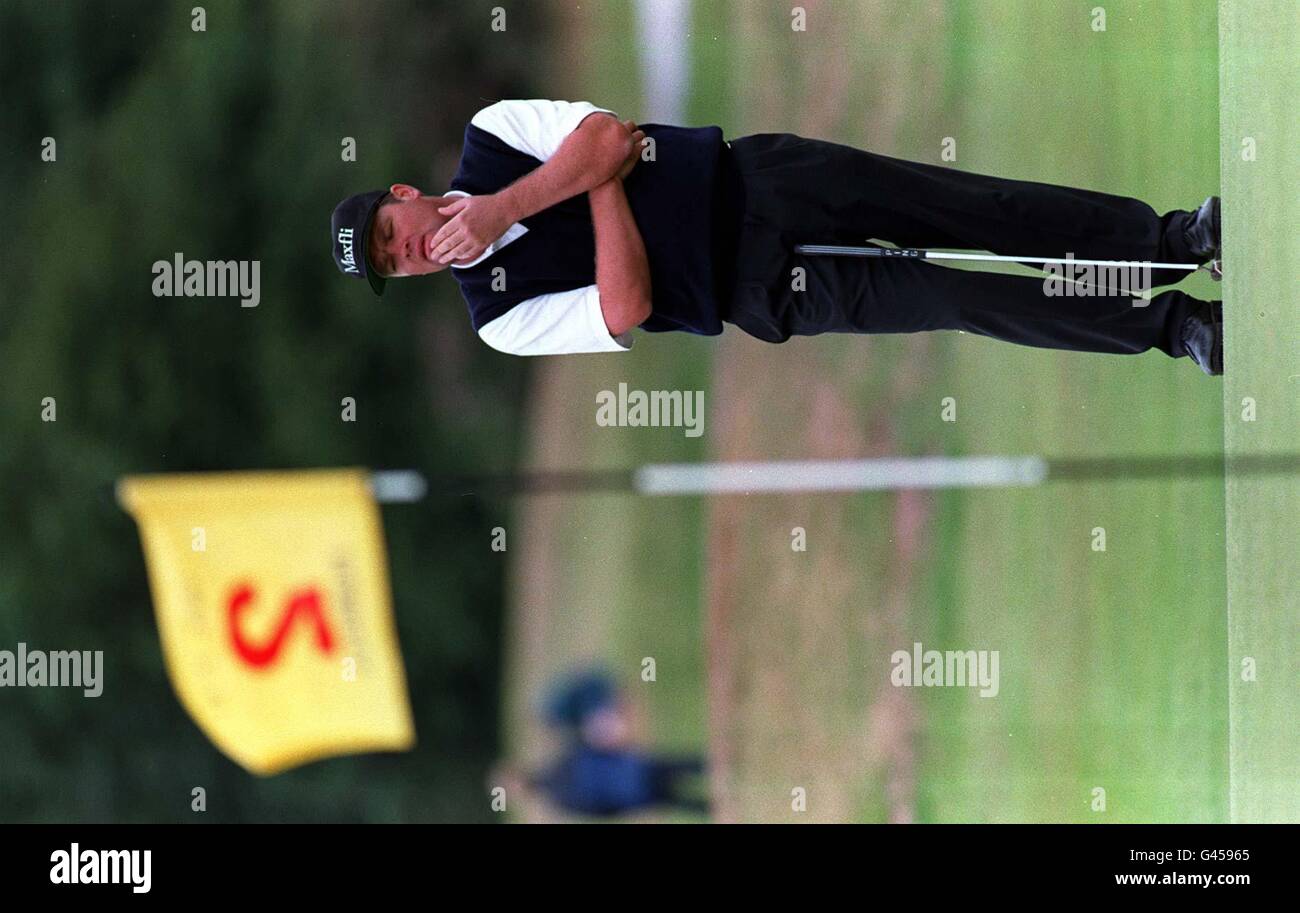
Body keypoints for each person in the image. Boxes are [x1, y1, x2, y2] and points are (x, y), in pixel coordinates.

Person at [331, 99, 1223, 374]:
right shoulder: (497, 314)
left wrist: (506, 204)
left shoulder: (491, 136)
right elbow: (626, 305)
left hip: (763, 178)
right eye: (385, 263)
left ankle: (1170, 243)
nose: (399, 251)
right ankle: (1168, 326)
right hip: (757, 286)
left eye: (386, 231)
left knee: (972, 209)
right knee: (961, 293)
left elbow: (604, 133)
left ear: (404, 196)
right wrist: (594, 178)